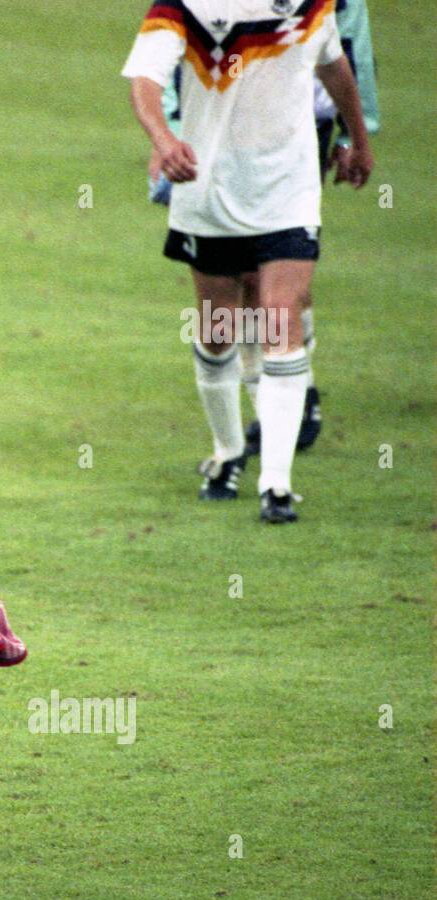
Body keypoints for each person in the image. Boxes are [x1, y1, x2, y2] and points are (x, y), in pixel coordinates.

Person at [124, 0, 374, 522]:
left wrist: (357, 136)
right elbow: (145, 78)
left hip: (288, 190)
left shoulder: (311, 4)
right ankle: (229, 450)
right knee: (220, 328)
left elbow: (335, 64)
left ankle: (276, 486)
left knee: (279, 315)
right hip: (209, 191)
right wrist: (163, 138)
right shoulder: (185, 5)